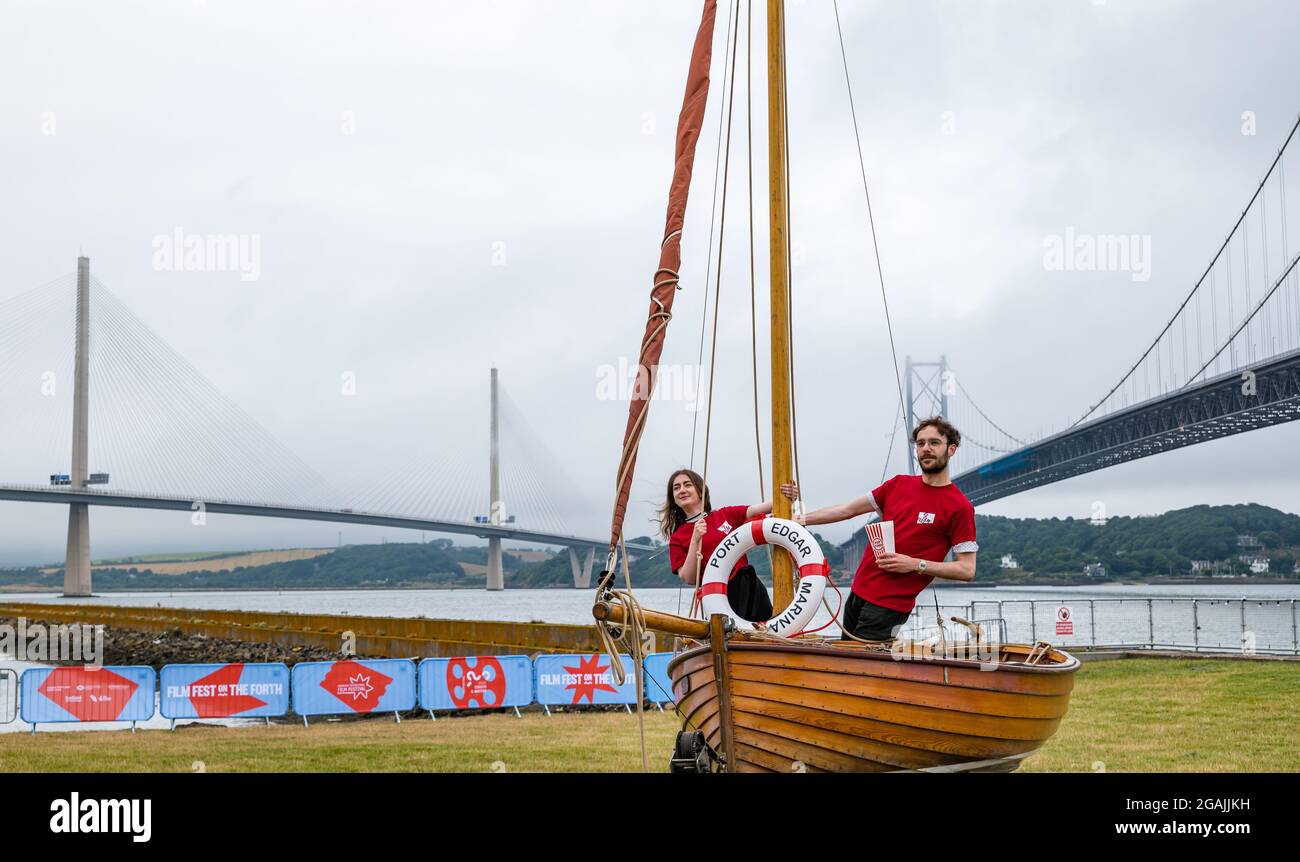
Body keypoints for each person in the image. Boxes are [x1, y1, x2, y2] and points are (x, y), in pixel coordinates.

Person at [800, 416, 978, 641]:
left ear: (951, 449)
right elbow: (846, 510)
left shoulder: (960, 507)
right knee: (848, 660)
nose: (926, 449)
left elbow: (966, 570)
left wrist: (914, 564)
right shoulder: (898, 484)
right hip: (858, 593)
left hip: (889, 605)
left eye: (934, 443)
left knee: (861, 669)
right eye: (920, 443)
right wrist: (800, 520)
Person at [660, 468, 799, 623]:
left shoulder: (725, 515)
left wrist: (788, 495)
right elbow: (689, 577)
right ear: (673, 498)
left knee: (767, 634)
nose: (682, 490)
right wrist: (695, 540)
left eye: (687, 485)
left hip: (749, 586)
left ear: (700, 491)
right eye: (676, 488)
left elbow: (769, 506)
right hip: (718, 596)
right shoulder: (678, 538)